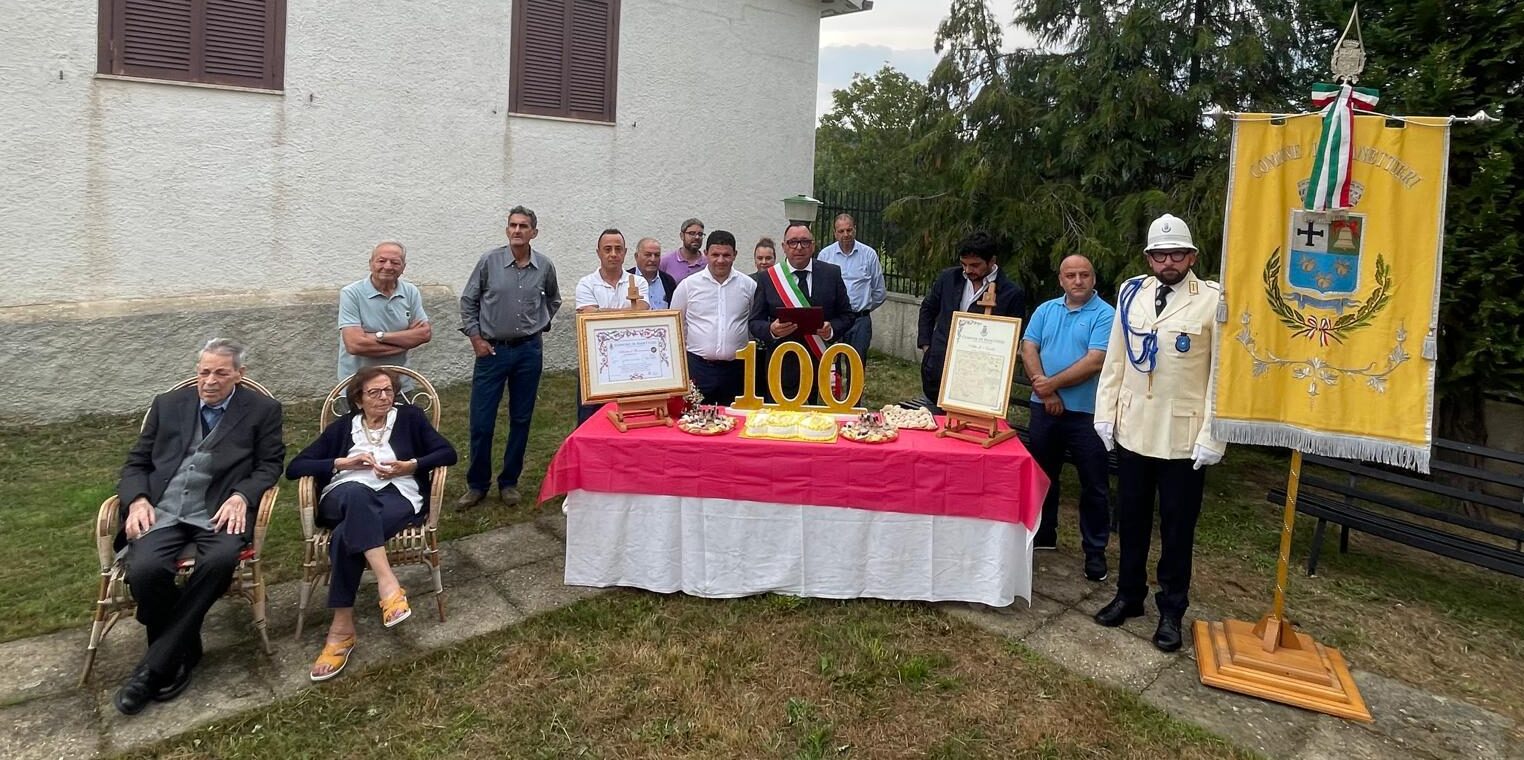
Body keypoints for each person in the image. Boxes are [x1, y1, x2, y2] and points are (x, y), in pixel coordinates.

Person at [111, 338, 285, 715]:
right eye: (203, 372)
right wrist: (138, 499)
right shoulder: (167, 405)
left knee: (220, 561)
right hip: (164, 509)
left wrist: (242, 496)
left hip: (220, 509)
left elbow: (270, 465)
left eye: (221, 373)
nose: (209, 381)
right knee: (144, 570)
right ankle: (185, 646)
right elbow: (136, 462)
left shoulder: (262, 410)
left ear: (240, 374)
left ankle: (152, 669)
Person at [1091, 213, 1226, 653]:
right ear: (1149, 258)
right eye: (1159, 254)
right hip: (1134, 430)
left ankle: (1171, 610)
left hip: (1182, 438)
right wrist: (1105, 413)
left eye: (1177, 254)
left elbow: (1221, 376)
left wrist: (1214, 434)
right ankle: (1129, 595)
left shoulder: (1212, 300)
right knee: (1130, 522)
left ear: (1191, 257)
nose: (1168, 261)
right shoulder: (1133, 293)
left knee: (1176, 528)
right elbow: (1115, 359)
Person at [285, 367, 457, 681]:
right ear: (358, 399)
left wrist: (410, 465)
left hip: (396, 495)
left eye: (388, 391)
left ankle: (341, 631)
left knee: (344, 536)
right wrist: (342, 463)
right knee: (356, 494)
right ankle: (388, 583)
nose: (383, 398)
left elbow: (448, 452)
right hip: (343, 493)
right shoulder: (342, 428)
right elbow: (296, 466)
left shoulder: (410, 419)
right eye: (374, 392)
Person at [458, 205, 562, 509]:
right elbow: (468, 301)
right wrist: (476, 338)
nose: (517, 230)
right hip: (491, 352)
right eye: (513, 225)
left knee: (521, 417)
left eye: (523, 226)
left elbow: (553, 299)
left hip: (529, 351)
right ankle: (477, 484)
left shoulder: (544, 267)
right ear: (507, 230)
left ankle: (509, 482)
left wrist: (540, 323)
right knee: (481, 421)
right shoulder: (489, 262)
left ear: (534, 232)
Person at [1020, 255, 1115, 579]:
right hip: (1044, 409)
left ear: (1093, 278)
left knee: (1094, 486)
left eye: (1084, 275)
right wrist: (1046, 393)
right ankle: (1044, 534)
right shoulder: (1046, 310)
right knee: (1043, 476)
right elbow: (1028, 347)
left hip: (1086, 415)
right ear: (1060, 279)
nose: (1077, 281)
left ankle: (1095, 552)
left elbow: (1095, 361)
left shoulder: (1106, 315)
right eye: (1071, 275)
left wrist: (1052, 385)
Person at [917, 231, 1026, 406]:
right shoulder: (948, 279)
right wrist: (926, 346)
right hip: (938, 368)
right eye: (964, 265)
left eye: (975, 265)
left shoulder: (1011, 293)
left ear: (992, 261)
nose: (968, 270)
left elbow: (1012, 336)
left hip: (980, 378)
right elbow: (928, 308)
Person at [748, 222, 854, 402]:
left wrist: (832, 329)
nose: (799, 247)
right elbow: (754, 322)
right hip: (781, 364)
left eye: (805, 242)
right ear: (784, 247)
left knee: (819, 423)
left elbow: (847, 315)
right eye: (793, 242)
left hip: (820, 361)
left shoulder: (831, 273)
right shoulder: (769, 278)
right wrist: (771, 330)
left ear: (813, 245)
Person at [671, 230, 756, 405]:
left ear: (735, 255)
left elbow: (753, 322)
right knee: (695, 421)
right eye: (715, 254)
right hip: (698, 369)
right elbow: (676, 326)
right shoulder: (688, 286)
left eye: (726, 255)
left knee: (734, 421)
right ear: (705, 254)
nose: (720, 260)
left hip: (736, 370)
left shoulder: (748, 285)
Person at [575, 228, 650, 425]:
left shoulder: (639, 282)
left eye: (618, 249)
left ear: (625, 252)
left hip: (630, 361)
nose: (613, 254)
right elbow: (587, 316)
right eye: (607, 249)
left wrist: (602, 313)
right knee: (590, 421)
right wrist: (625, 314)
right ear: (598, 252)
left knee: (630, 417)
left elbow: (641, 313)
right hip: (594, 363)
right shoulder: (586, 284)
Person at [337, 241, 432, 381]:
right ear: (371, 264)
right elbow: (354, 345)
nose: (387, 267)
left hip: (399, 382)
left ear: (403, 267)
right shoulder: (351, 293)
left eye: (395, 262)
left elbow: (424, 334)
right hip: (359, 384)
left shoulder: (411, 292)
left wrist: (379, 336)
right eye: (381, 261)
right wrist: (404, 343)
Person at [816, 214, 887, 375]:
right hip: (834, 320)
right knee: (833, 366)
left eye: (849, 230)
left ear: (855, 229)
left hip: (859, 321)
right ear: (835, 233)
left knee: (856, 366)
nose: (845, 234)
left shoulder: (869, 255)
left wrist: (864, 307)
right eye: (841, 231)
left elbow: (879, 292)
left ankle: (855, 401)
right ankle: (834, 399)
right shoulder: (825, 256)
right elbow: (820, 290)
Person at [627, 236, 677, 310]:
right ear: (636, 256)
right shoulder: (625, 279)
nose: (653, 259)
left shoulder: (668, 281)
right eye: (648, 255)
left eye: (656, 255)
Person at [658, 217, 706, 284]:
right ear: (682, 236)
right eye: (692, 233)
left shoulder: (707, 263)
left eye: (700, 234)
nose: (697, 237)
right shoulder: (665, 262)